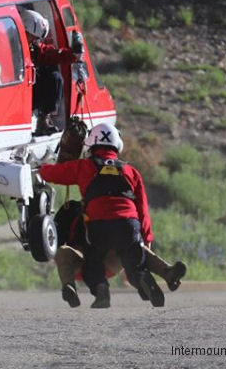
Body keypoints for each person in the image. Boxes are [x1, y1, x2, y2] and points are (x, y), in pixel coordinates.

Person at [39, 121, 165, 308]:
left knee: (92, 265)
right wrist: (147, 238)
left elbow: (53, 174)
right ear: (117, 144)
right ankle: (143, 277)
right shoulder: (131, 171)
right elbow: (142, 209)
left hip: (99, 227)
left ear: (91, 144)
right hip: (128, 225)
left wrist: (41, 167)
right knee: (133, 261)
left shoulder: (84, 166)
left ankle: (99, 291)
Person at [54, 199, 187, 308]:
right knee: (63, 251)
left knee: (133, 246)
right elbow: (53, 242)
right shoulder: (71, 210)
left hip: (108, 260)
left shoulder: (112, 211)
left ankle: (167, 272)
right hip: (79, 262)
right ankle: (69, 288)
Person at [19, 9, 79, 135]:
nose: (34, 41)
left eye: (36, 39)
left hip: (26, 90)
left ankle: (44, 119)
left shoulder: (33, 49)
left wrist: (73, 54)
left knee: (53, 75)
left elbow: (50, 54)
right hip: (14, 91)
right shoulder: (9, 45)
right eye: (32, 37)